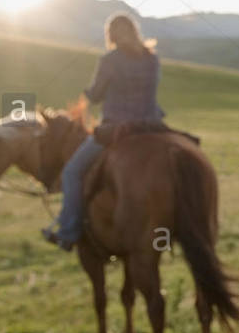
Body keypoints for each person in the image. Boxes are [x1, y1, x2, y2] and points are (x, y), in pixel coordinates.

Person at [42, 13, 164, 250]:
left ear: (111, 35)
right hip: (152, 126)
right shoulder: (152, 58)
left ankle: (68, 232)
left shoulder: (110, 60)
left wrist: (87, 93)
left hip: (117, 128)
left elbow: (96, 95)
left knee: (72, 172)